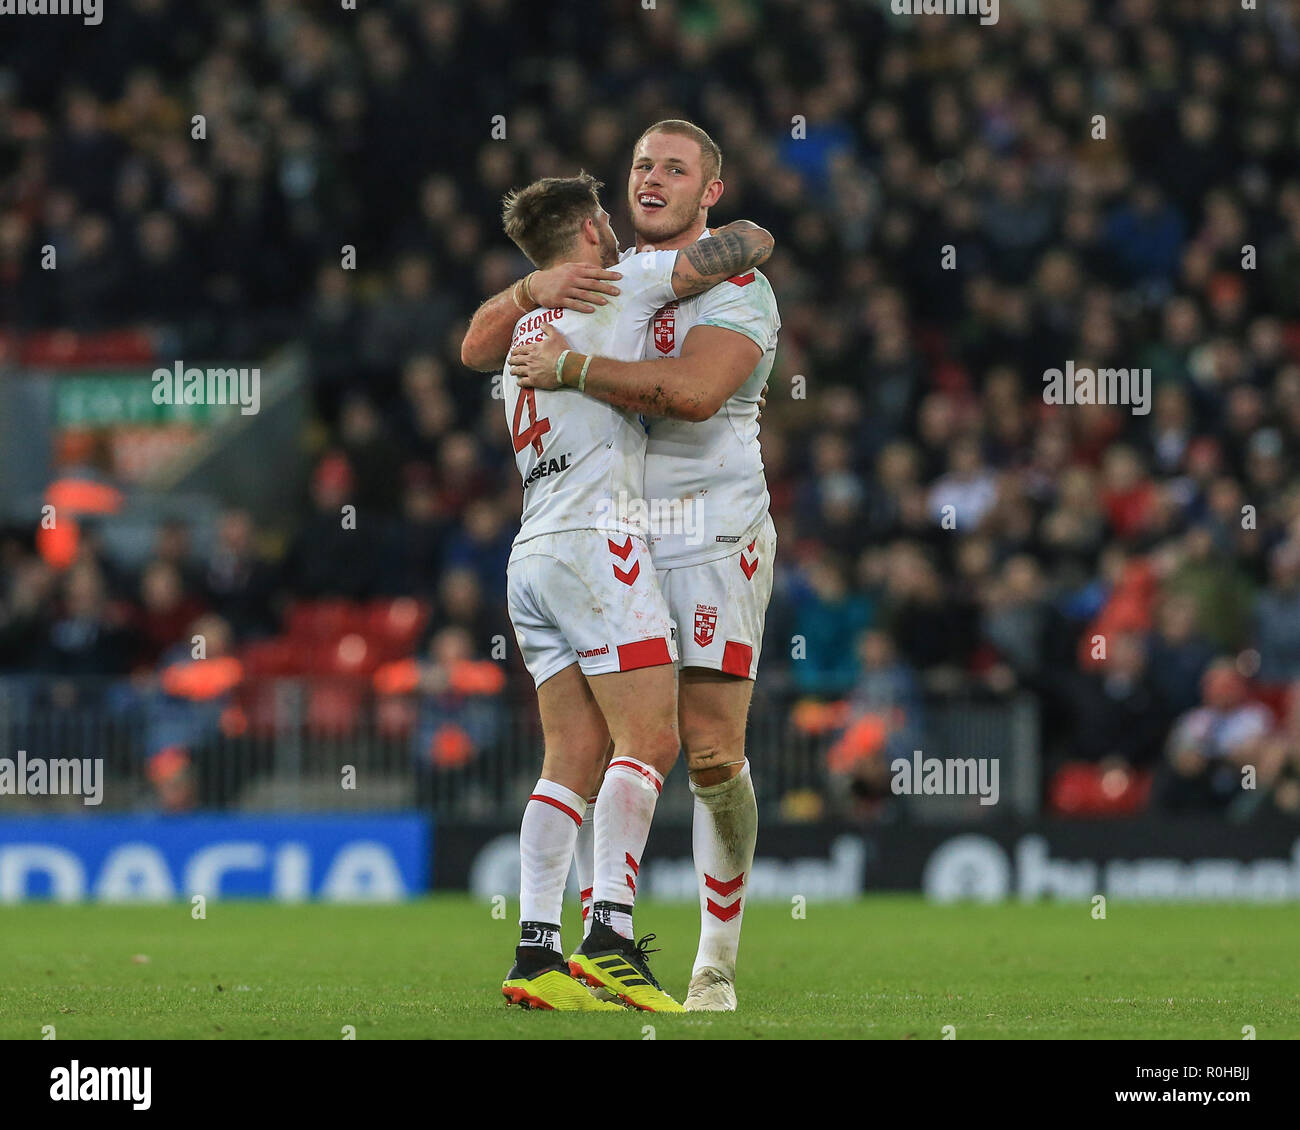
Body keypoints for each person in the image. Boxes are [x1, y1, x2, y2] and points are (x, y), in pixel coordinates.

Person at [477, 120, 782, 1013]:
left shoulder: (737, 292)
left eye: (674, 168)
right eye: (641, 165)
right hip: (617, 535)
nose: (649, 179)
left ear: (707, 191)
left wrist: (569, 362)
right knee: (626, 744)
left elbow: (692, 393)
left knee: (710, 753)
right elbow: (473, 339)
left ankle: (711, 960)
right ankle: (600, 937)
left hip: (713, 530)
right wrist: (536, 283)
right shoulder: (603, 288)